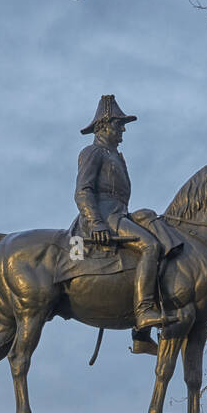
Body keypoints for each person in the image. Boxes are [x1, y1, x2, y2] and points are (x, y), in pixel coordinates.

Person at [74, 94, 167, 356]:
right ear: (104, 126)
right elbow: (83, 191)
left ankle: (141, 338)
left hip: (119, 215)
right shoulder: (92, 152)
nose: (123, 129)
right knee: (150, 246)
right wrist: (96, 223)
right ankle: (144, 312)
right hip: (105, 216)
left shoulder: (116, 156)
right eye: (119, 124)